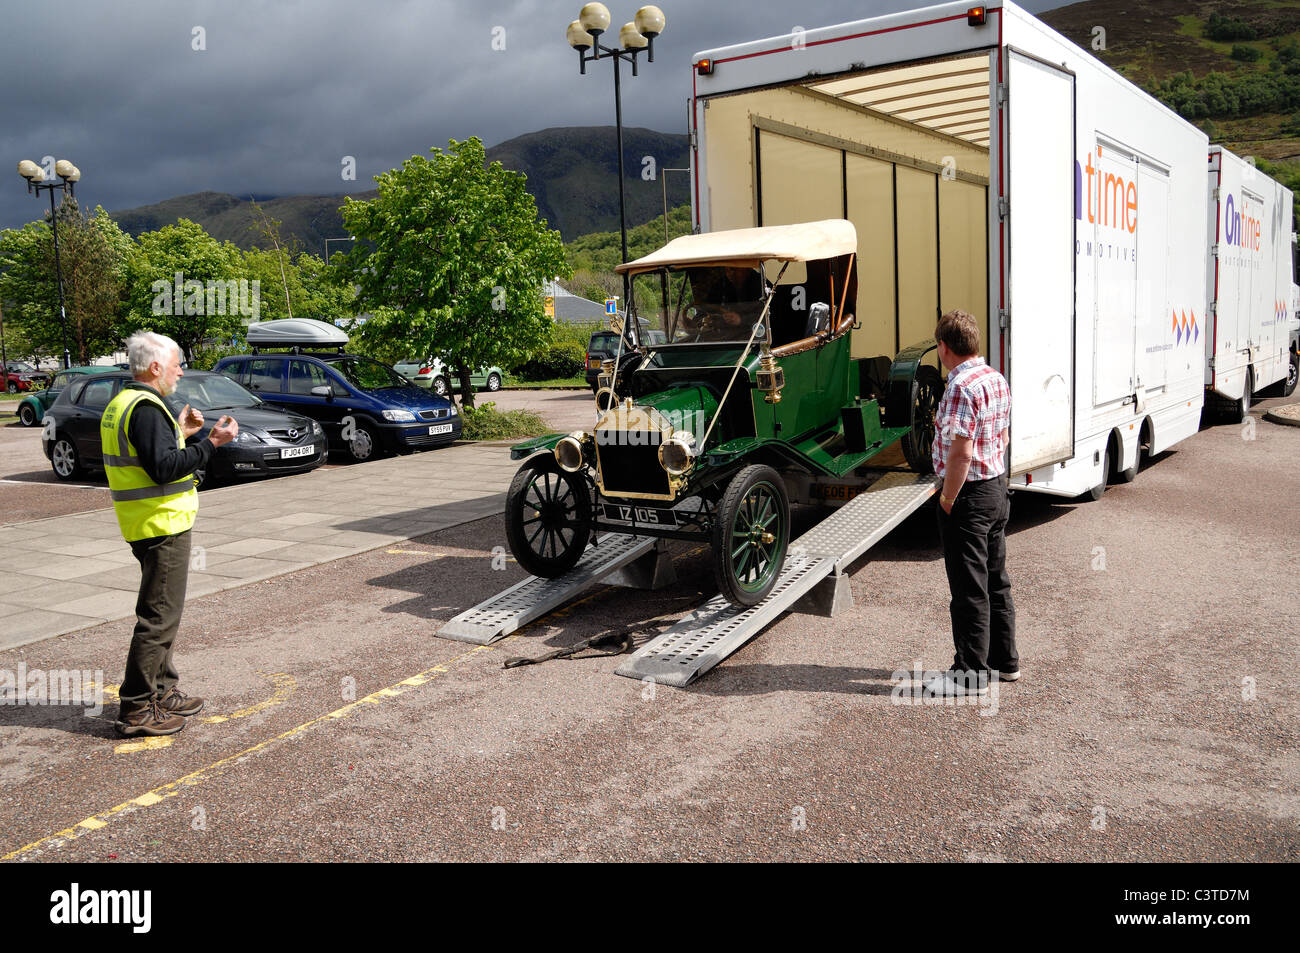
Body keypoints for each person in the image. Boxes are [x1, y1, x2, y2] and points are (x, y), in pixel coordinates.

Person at [103, 331, 238, 736]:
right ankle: (138, 707)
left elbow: (153, 456)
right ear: (156, 367)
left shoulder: (126, 402)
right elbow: (164, 468)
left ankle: (162, 689)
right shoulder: (145, 406)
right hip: (161, 525)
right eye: (176, 363)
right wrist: (213, 442)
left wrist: (182, 432)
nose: (181, 370)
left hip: (148, 521)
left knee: (163, 612)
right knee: (159, 616)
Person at [924, 309, 1018, 698]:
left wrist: (948, 497)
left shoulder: (961, 386)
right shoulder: (995, 378)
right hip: (996, 486)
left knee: (968, 588)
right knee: (996, 580)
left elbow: (960, 453)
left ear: (944, 347)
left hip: (969, 494)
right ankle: (1005, 662)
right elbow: (1005, 436)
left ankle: (970, 674)